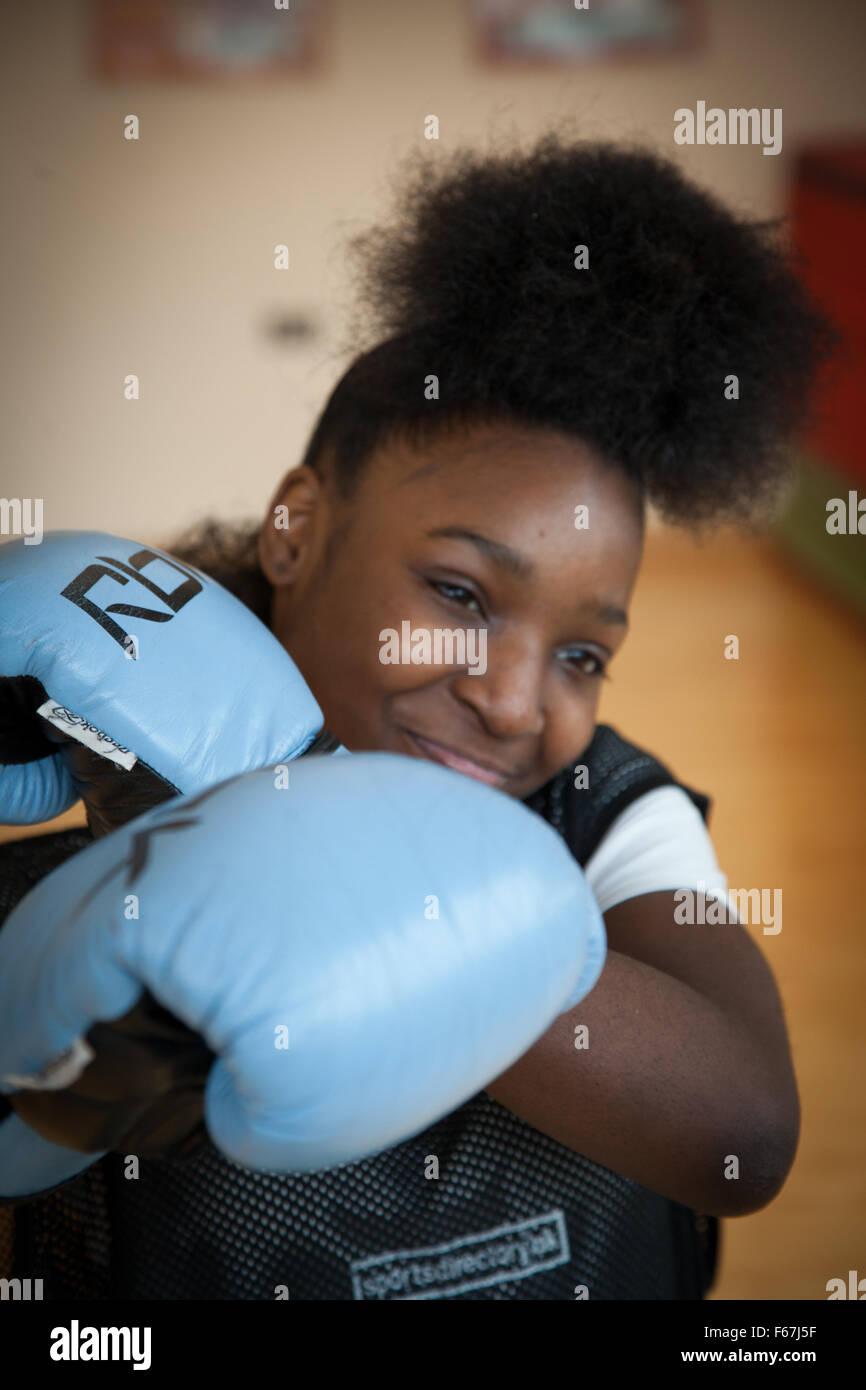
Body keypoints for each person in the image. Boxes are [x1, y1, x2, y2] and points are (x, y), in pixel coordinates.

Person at [0, 132, 834, 1299]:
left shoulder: (605, 810)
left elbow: (743, 1136)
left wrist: (312, 811)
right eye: (457, 593)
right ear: (296, 526)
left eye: (582, 653)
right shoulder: (105, 767)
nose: (510, 698)